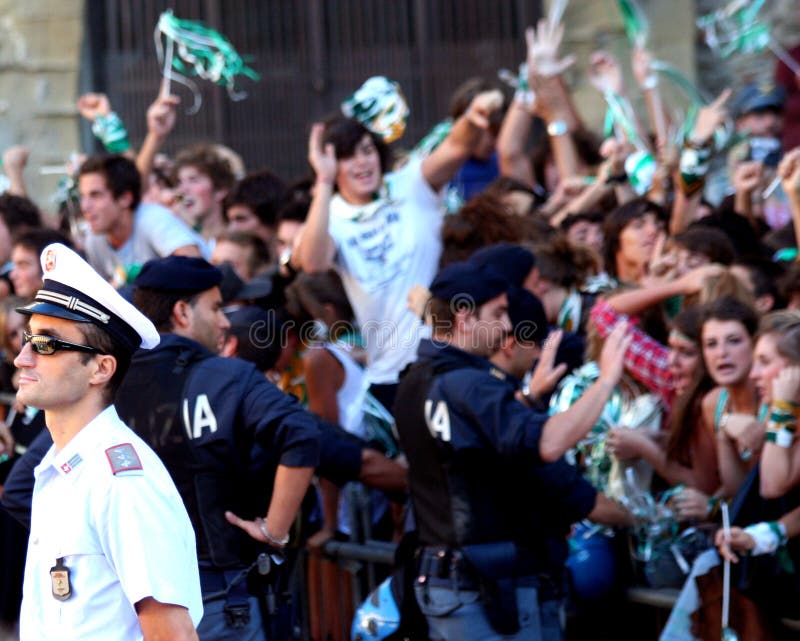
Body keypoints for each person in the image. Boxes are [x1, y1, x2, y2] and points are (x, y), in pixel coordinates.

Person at [394, 261, 633, 641]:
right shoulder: (470, 385)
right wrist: (605, 382)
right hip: (480, 587)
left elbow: (475, 450)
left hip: (447, 582)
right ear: (464, 316)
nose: (507, 326)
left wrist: (527, 398)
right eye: (499, 313)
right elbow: (549, 444)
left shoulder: (414, 380)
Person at [13, 243, 202, 641]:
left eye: (46, 344)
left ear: (101, 368)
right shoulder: (63, 466)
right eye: (27, 339)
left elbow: (174, 634)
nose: (23, 358)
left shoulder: (120, 478)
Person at [126, 256, 319, 641]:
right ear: (182, 312)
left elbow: (22, 488)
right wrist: (274, 531)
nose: (225, 321)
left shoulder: (105, 383)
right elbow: (301, 433)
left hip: (135, 604)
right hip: (218, 599)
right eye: (215, 308)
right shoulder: (227, 376)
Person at [294, 87, 505, 409]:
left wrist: (473, 118)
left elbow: (456, 146)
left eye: (366, 150)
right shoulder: (330, 214)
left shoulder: (409, 184)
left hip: (443, 360)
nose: (361, 163)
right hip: (386, 377)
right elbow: (312, 262)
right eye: (346, 156)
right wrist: (323, 182)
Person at [78, 154, 205, 285]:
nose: (85, 206)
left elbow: (196, 269)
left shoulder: (153, 218)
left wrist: (145, 275)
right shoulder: (94, 239)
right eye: (83, 196)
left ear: (125, 198)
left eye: (95, 195)